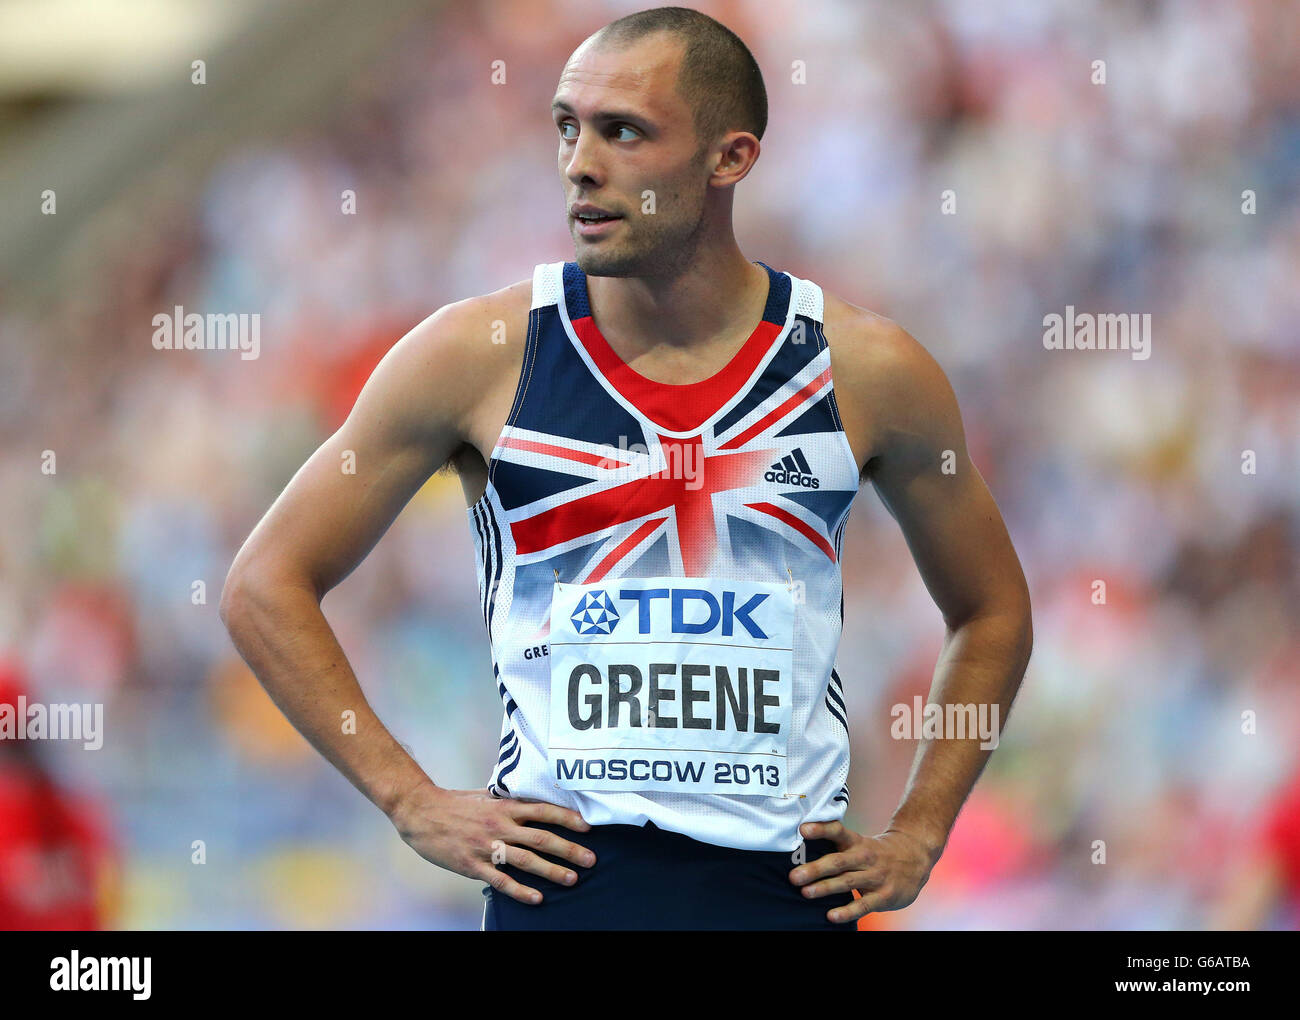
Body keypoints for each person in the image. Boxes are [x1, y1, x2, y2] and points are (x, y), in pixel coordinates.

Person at [221, 6, 1032, 930]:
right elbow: (264, 583)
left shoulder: (867, 370)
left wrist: (923, 833)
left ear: (730, 158)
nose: (580, 163)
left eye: (624, 132)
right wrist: (411, 800)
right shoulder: (476, 356)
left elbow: (994, 609)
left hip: (784, 896)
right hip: (564, 893)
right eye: (567, 126)